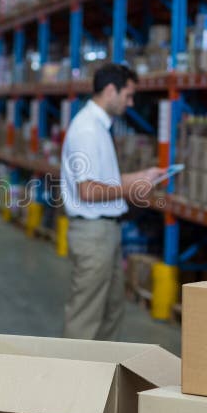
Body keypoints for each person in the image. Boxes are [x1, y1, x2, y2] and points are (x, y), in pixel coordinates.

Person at [60, 63, 165, 340]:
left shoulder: (99, 127)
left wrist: (142, 176)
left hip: (106, 231)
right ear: (110, 91)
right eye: (128, 96)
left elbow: (103, 179)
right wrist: (132, 185)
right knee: (85, 316)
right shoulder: (87, 130)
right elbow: (89, 191)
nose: (130, 103)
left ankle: (102, 376)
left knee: (111, 310)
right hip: (93, 233)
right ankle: (73, 379)